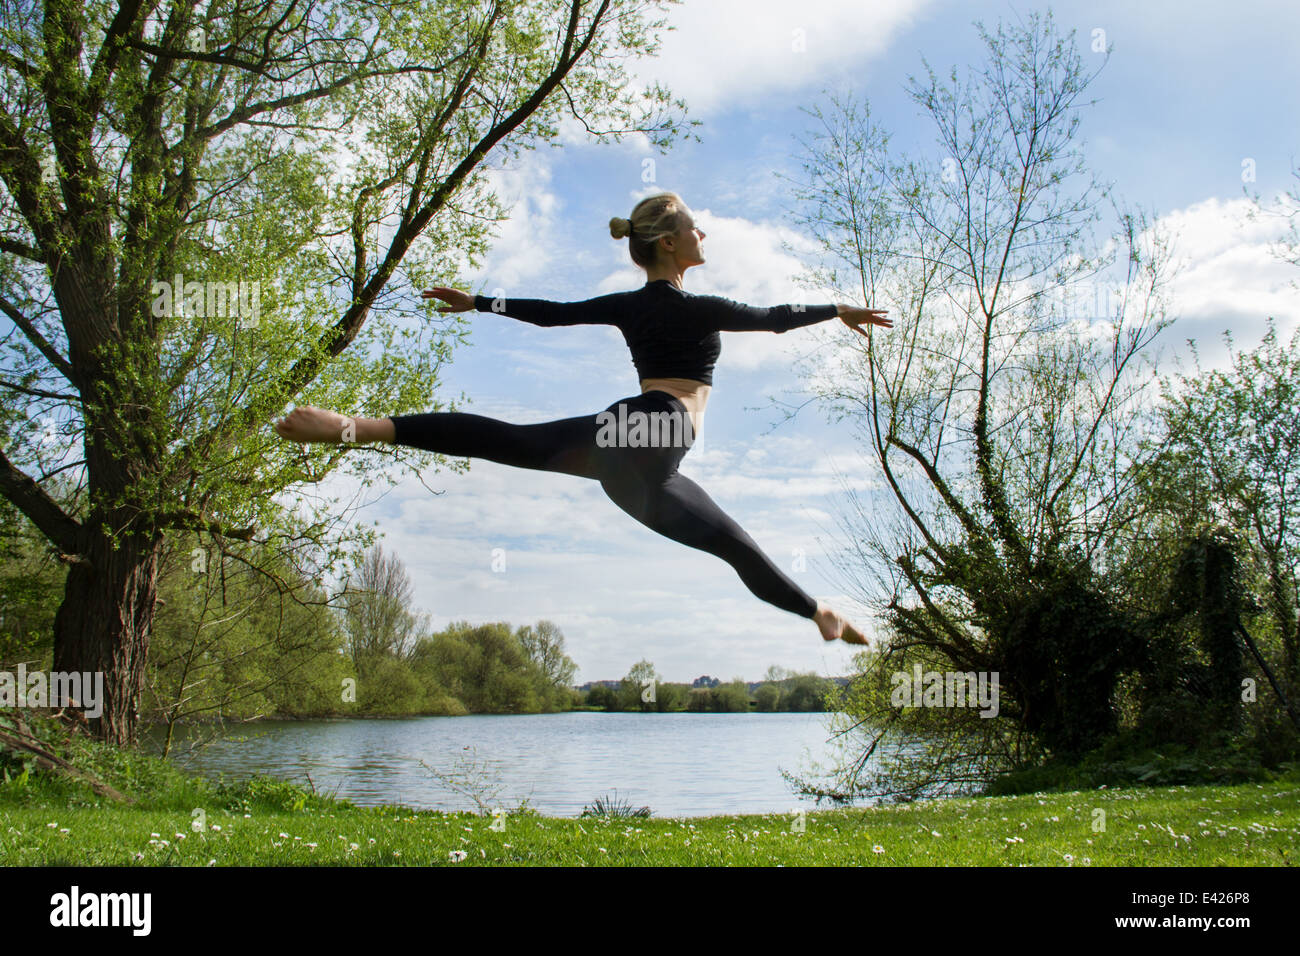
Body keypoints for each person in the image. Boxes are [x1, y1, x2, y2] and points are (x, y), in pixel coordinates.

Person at [273, 191, 891, 645]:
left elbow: (554, 313)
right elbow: (773, 317)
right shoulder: (701, 306)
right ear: (671, 243)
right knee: (726, 544)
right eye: (697, 227)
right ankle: (361, 427)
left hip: (639, 477)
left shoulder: (629, 304)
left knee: (730, 544)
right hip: (660, 427)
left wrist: (480, 302)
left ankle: (818, 613)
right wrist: (838, 308)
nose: (706, 235)